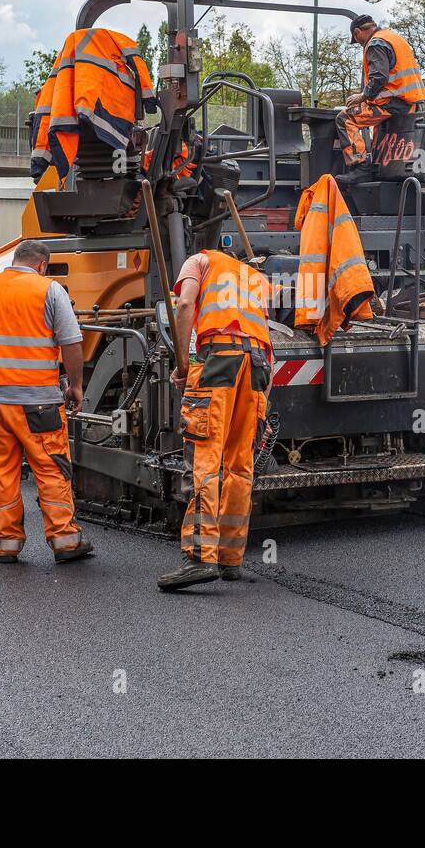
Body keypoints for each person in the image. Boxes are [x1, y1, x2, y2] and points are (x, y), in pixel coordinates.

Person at [0, 239, 93, 564]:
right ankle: (64, 540)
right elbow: (72, 341)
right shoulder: (48, 290)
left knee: (2, 472)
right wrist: (75, 385)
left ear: (14, 260)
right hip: (39, 405)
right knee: (51, 470)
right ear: (41, 266)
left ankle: (5, 544)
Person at [158, 248, 272, 592]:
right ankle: (229, 557)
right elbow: (266, 334)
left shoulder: (200, 260)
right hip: (256, 364)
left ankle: (198, 557)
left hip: (219, 358)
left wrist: (181, 365)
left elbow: (183, 305)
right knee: (240, 464)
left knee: (205, 459)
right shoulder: (255, 277)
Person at [334, 15, 425, 170]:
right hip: (410, 102)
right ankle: (379, 168)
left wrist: (362, 96)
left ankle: (360, 166)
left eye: (356, 39)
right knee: (379, 133)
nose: (359, 43)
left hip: (391, 103)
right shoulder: (394, 39)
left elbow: (379, 77)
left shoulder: (375, 44)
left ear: (358, 32)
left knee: (345, 119)